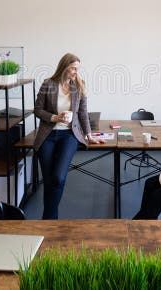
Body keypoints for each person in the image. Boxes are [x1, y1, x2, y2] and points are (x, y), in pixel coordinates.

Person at [33, 53, 105, 219]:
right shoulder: (48, 84)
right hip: (47, 135)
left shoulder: (79, 86)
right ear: (64, 67)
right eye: (73, 68)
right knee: (49, 180)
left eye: (77, 68)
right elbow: (37, 110)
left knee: (58, 177)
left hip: (69, 135)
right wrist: (54, 118)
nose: (75, 72)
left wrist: (88, 135)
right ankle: (51, 220)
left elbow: (82, 113)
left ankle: (47, 219)